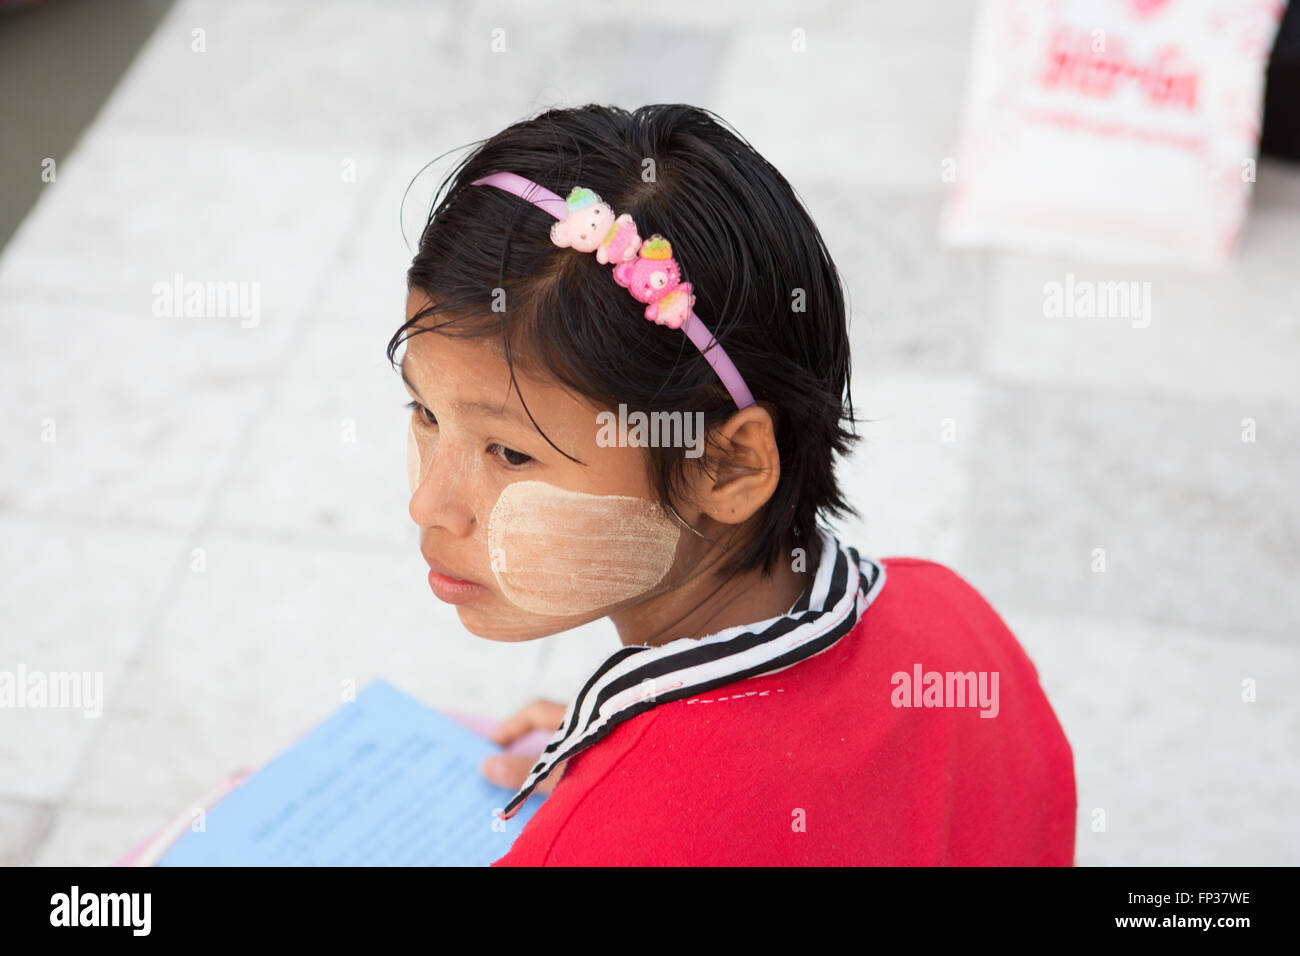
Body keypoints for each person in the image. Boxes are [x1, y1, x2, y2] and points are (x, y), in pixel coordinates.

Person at [391, 103, 1076, 865]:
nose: (429, 504)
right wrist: (623, 774)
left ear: (730, 466)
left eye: (510, 454)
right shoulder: (955, 624)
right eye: (423, 411)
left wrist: (619, 816)